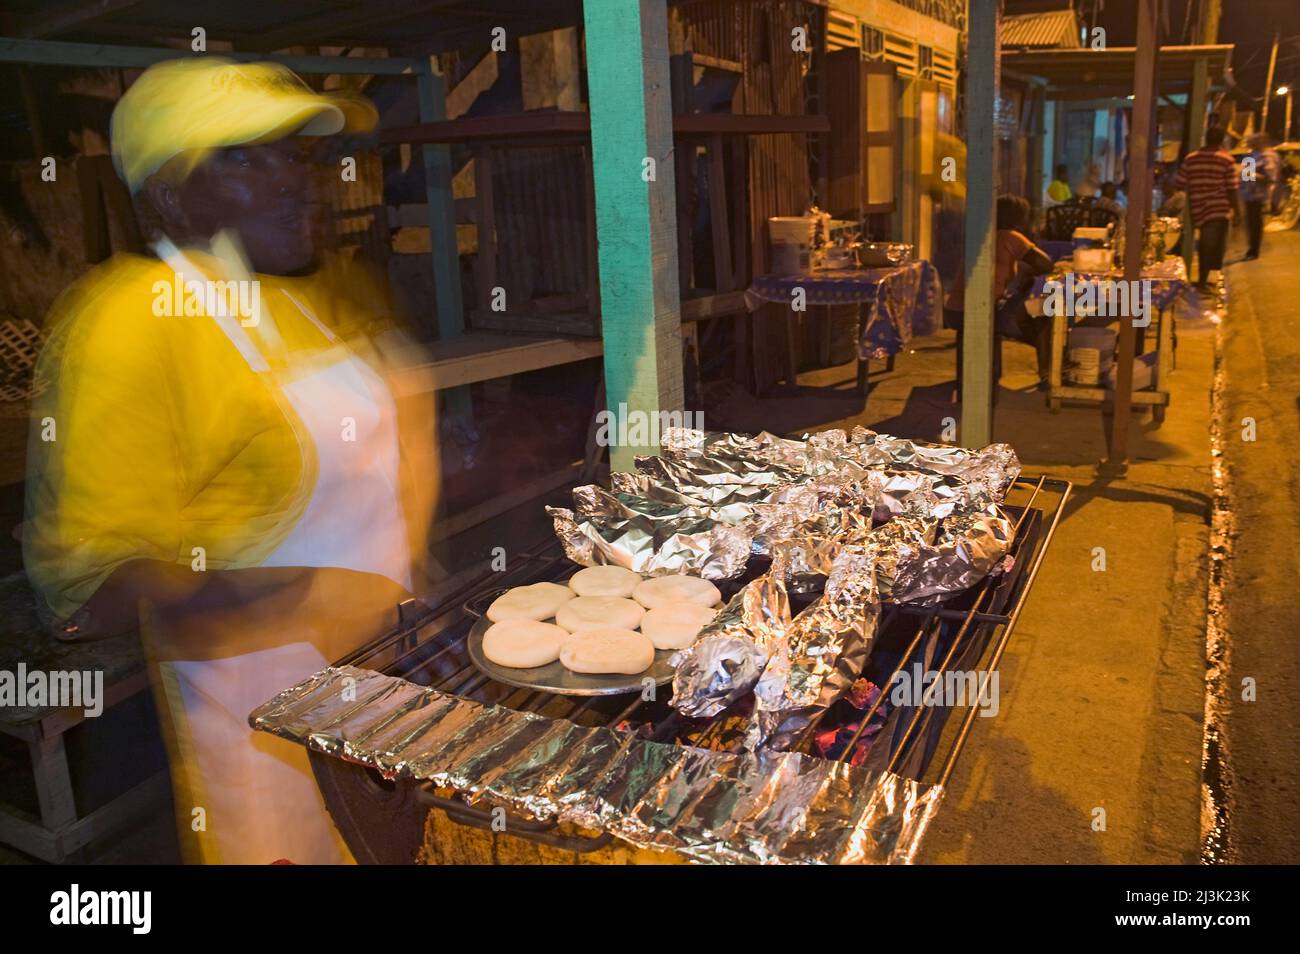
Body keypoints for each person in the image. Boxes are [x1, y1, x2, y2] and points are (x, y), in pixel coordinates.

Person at [23, 58, 438, 864]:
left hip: (380, 674)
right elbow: (98, 585)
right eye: (245, 157)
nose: (294, 180)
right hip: (259, 722)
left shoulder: (313, 292)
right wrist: (317, 596)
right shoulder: (132, 324)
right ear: (169, 197)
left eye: (293, 153)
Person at [943, 195, 1054, 389]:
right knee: (1043, 319)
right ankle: (1048, 377)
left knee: (1025, 312)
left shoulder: (981, 234)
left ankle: (986, 372)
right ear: (1019, 218)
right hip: (982, 313)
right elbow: (1046, 264)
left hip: (955, 310)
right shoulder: (1011, 237)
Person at [1173, 126, 1239, 288]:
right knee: (1214, 245)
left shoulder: (1191, 159)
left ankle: (1206, 279)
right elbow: (1232, 188)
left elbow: (1179, 183)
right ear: (1222, 140)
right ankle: (1206, 279)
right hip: (1219, 207)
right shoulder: (1227, 160)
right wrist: (1237, 210)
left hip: (1198, 207)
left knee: (1206, 242)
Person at [1240, 132, 1280, 260]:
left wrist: (1249, 173)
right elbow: (1246, 175)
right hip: (1249, 194)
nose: (1248, 144)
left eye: (1252, 141)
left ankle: (1254, 250)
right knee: (1250, 223)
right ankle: (1251, 248)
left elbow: (1270, 178)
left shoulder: (1268, 157)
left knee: (1255, 223)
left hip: (1258, 195)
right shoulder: (1252, 155)